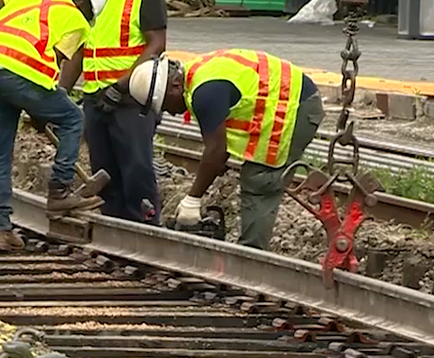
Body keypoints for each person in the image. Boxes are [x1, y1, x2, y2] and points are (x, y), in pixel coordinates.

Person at [0, 0, 108, 251]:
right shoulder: (75, 20)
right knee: (74, 119)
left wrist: (0, 56)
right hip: (20, 76)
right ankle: (60, 190)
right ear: (86, 7)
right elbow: (60, 63)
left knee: (0, 154)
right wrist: (43, 106)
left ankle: (1, 230)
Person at [124, 48, 324, 249]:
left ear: (175, 86)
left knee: (260, 180)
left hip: (295, 107)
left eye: (166, 106)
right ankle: (249, 250)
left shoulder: (204, 94)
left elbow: (216, 151)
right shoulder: (197, 76)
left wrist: (193, 199)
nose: (171, 113)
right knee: (252, 174)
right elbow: (218, 148)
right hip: (289, 98)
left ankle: (252, 256)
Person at [58, 0, 167, 225]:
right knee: (103, 169)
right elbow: (78, 46)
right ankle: (114, 229)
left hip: (131, 99)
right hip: (95, 98)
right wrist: (60, 93)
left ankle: (146, 227)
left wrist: (122, 84)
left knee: (136, 168)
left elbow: (156, 43)